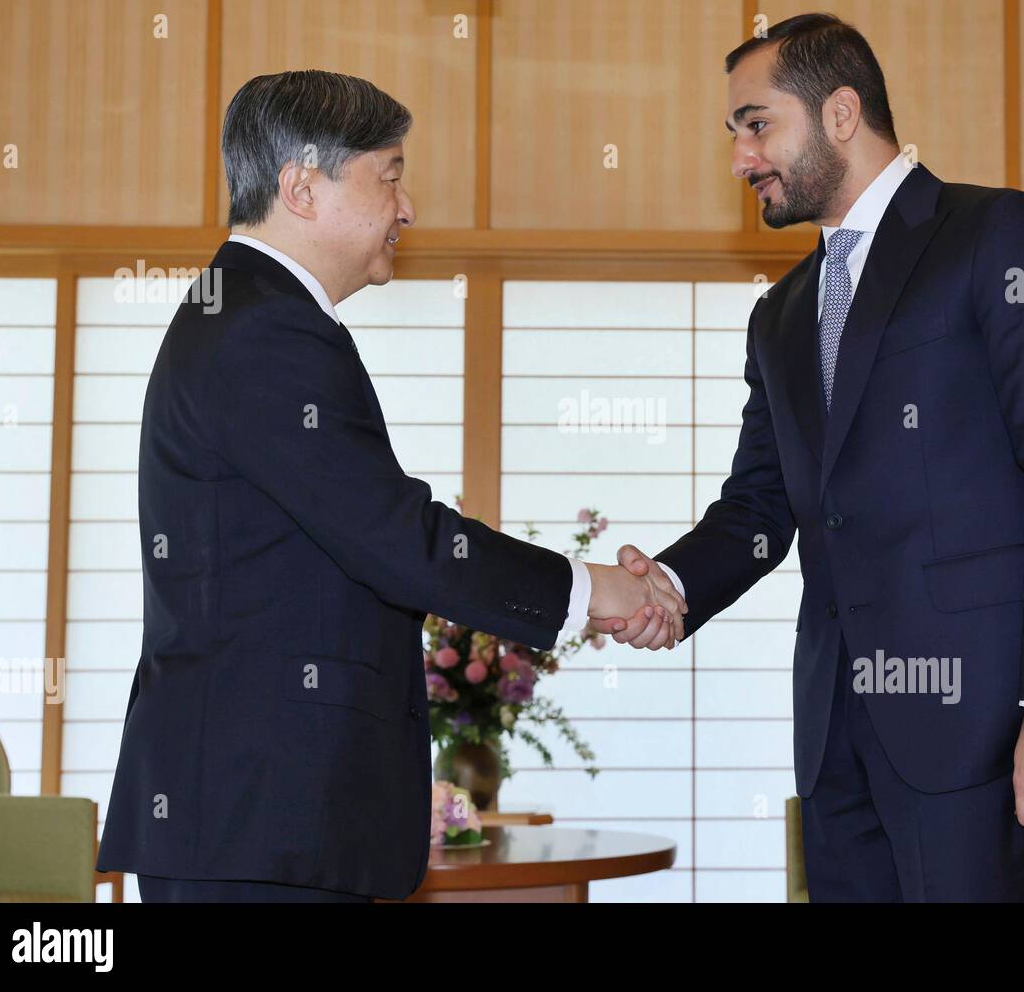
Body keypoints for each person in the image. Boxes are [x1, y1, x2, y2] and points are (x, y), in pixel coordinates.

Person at [95, 70, 685, 903]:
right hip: (256, 826)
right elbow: (397, 538)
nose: (407, 208)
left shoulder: (252, 313)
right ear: (301, 187)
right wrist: (596, 590)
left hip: (265, 822)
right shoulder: (264, 329)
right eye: (391, 175)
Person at [595, 13, 1024, 902]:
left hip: (980, 726)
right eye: (732, 134)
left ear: (842, 113)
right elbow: (762, 506)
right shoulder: (782, 312)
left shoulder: (1002, 235)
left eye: (755, 124)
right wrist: (672, 589)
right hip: (836, 731)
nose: (739, 158)